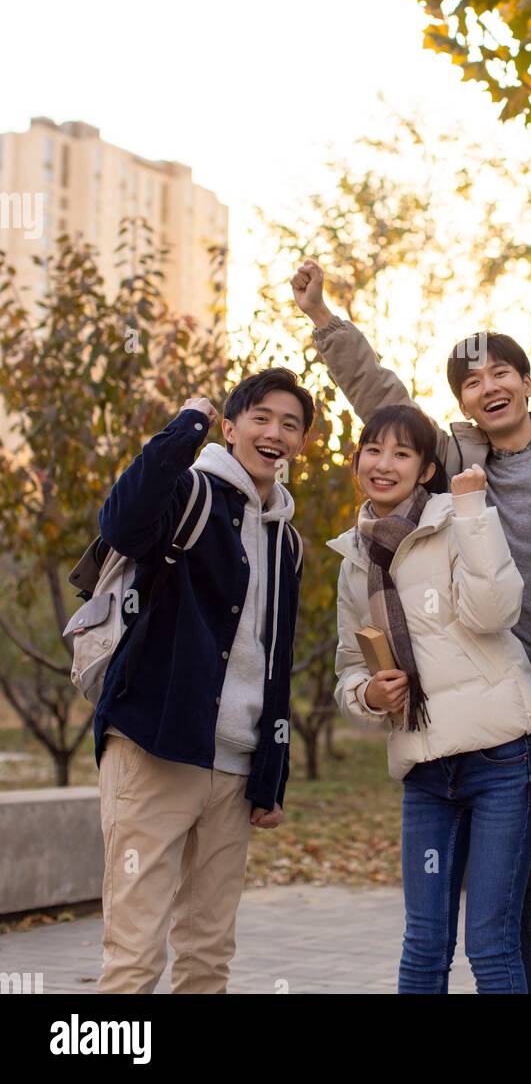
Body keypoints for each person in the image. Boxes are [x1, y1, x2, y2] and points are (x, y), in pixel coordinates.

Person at [293, 258, 531, 994]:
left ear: (526, 384)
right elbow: (380, 399)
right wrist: (323, 321)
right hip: (510, 726)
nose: (486, 386)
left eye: (500, 373)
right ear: (460, 400)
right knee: (513, 913)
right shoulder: (454, 459)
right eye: (469, 380)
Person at [93, 368, 314, 993]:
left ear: (300, 445)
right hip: (155, 749)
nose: (275, 432)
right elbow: (120, 522)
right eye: (262, 418)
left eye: (291, 425)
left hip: (233, 772)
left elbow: (276, 660)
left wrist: (271, 772)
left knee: (208, 957)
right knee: (135, 956)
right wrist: (185, 423)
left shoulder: (286, 541)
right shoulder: (188, 493)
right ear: (231, 426)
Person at [331, 402, 531, 992]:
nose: (384, 464)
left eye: (402, 453)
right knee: (424, 946)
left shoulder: (460, 518)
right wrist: (371, 695)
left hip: (502, 758)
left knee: (491, 942)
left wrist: (475, 512)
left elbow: (495, 612)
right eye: (373, 451)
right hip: (424, 766)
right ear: (357, 463)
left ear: (426, 469)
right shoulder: (354, 560)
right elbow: (349, 669)